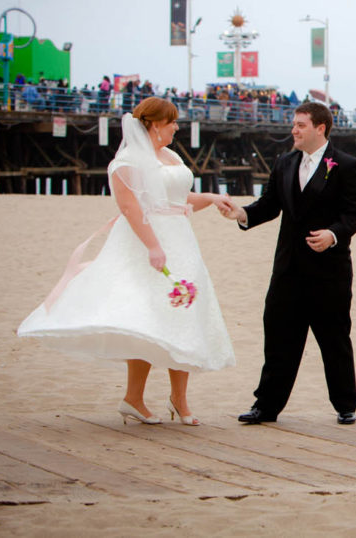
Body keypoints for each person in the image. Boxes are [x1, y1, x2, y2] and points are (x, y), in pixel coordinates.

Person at [18, 98, 235, 426]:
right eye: (172, 122)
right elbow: (130, 207)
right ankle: (133, 398)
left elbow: (178, 200)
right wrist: (153, 246)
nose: (177, 127)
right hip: (147, 241)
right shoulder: (127, 161)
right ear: (154, 124)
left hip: (182, 241)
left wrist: (212, 198)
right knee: (146, 318)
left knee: (184, 315)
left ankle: (180, 399)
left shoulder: (171, 156)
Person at [217, 102, 356, 425]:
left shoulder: (345, 164)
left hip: (329, 272)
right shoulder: (284, 162)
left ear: (320, 128)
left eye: (300, 125)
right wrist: (241, 214)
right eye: (294, 124)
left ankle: (345, 405)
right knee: (278, 336)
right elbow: (269, 205)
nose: (293, 130)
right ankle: (266, 406)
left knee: (334, 338)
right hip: (287, 269)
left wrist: (333, 234)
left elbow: (355, 213)